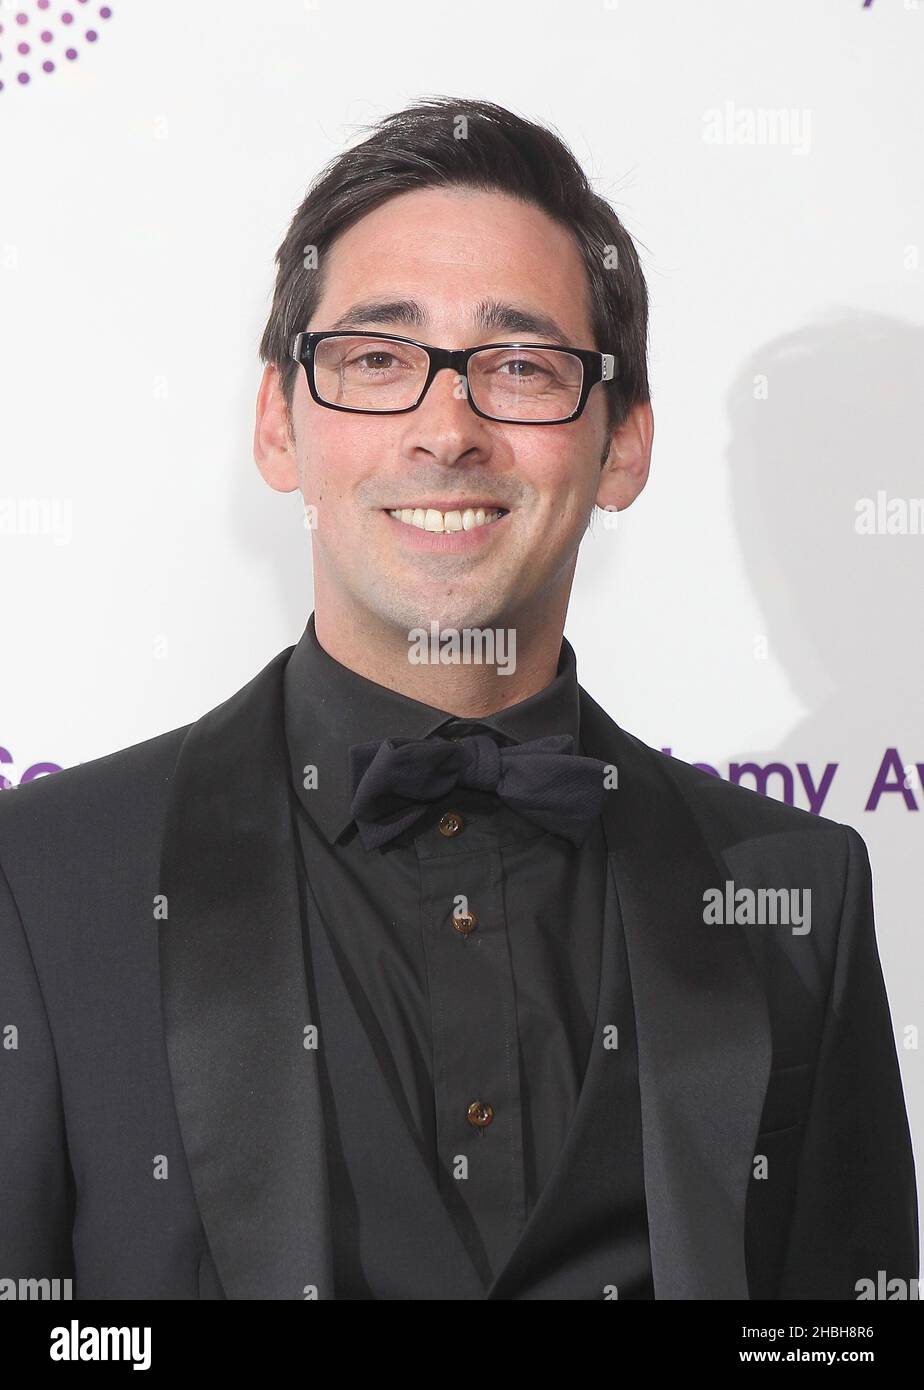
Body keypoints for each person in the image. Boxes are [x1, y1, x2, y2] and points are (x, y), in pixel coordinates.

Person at [0, 96, 917, 1301]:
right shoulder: (46, 879)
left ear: (623, 443)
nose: (448, 427)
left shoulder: (797, 891)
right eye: (377, 358)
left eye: (522, 366)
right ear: (280, 425)